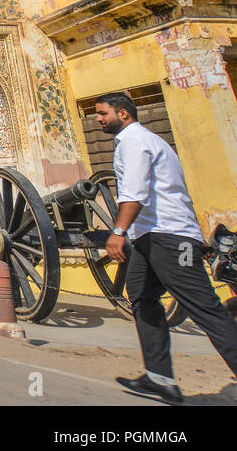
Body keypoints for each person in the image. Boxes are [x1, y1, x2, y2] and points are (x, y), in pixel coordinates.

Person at [97, 91, 237, 404]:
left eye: (103, 113)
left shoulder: (134, 142)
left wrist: (118, 231)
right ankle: (160, 378)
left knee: (205, 308)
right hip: (160, 238)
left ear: (123, 114)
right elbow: (175, 193)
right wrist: (196, 238)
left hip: (167, 239)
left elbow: (134, 193)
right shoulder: (155, 142)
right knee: (141, 295)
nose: (99, 119)